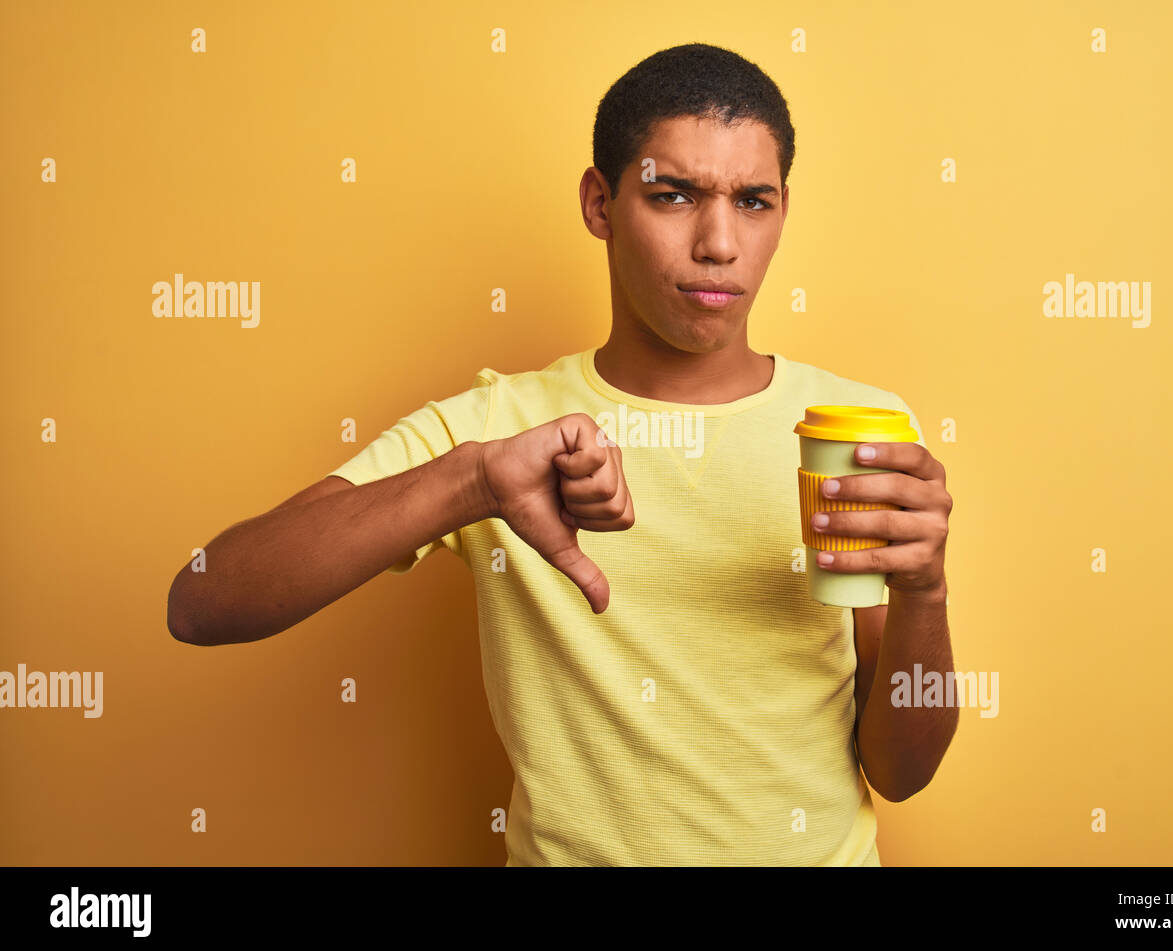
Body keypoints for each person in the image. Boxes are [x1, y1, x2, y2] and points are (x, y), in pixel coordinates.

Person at [167, 42, 957, 866]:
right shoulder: (497, 427)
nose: (719, 242)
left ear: (783, 211)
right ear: (600, 202)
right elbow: (203, 599)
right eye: (673, 194)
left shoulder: (857, 430)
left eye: (753, 201)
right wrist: (468, 481)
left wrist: (925, 595)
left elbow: (903, 771)